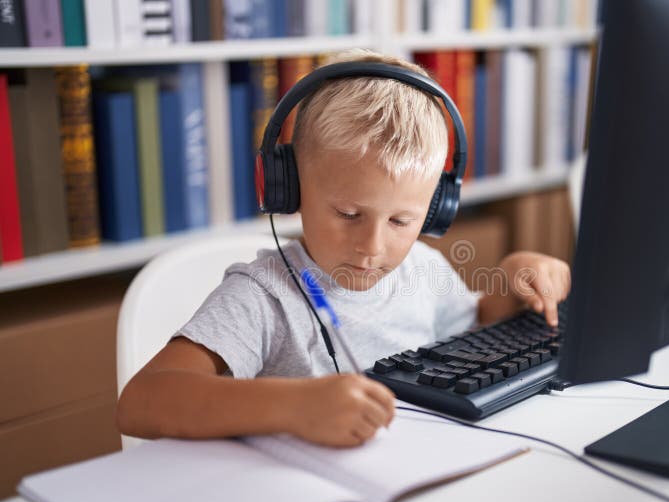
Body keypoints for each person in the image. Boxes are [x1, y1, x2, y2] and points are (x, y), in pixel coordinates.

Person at [116, 50, 571, 448]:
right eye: (349, 214)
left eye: (400, 221)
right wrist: (293, 405)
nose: (372, 247)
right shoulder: (264, 296)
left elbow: (478, 327)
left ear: (435, 211)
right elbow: (142, 402)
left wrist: (519, 275)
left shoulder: (421, 270)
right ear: (289, 190)